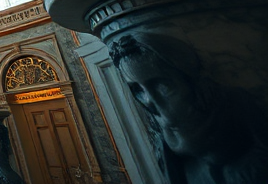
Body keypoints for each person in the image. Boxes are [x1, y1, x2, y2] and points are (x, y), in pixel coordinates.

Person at [109, 33, 268, 183]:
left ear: (192, 80)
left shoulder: (238, 107)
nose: (149, 99)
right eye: (138, 90)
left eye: (161, 85)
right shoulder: (169, 153)